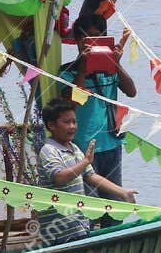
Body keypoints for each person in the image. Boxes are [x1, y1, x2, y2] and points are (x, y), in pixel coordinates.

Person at [34, 100, 136, 245]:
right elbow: (59, 178)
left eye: (74, 122)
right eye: (66, 122)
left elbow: (91, 176)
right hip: (57, 232)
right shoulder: (49, 150)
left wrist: (122, 193)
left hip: (78, 226)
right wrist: (85, 162)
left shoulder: (74, 148)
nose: (72, 127)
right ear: (51, 125)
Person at [59, 13, 137, 187]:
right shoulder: (67, 72)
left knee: (114, 201)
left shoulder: (109, 70)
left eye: (99, 38)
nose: (94, 44)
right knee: (89, 201)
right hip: (82, 147)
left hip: (112, 144)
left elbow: (131, 91)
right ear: (79, 41)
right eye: (88, 39)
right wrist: (82, 70)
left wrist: (116, 64)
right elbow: (71, 103)